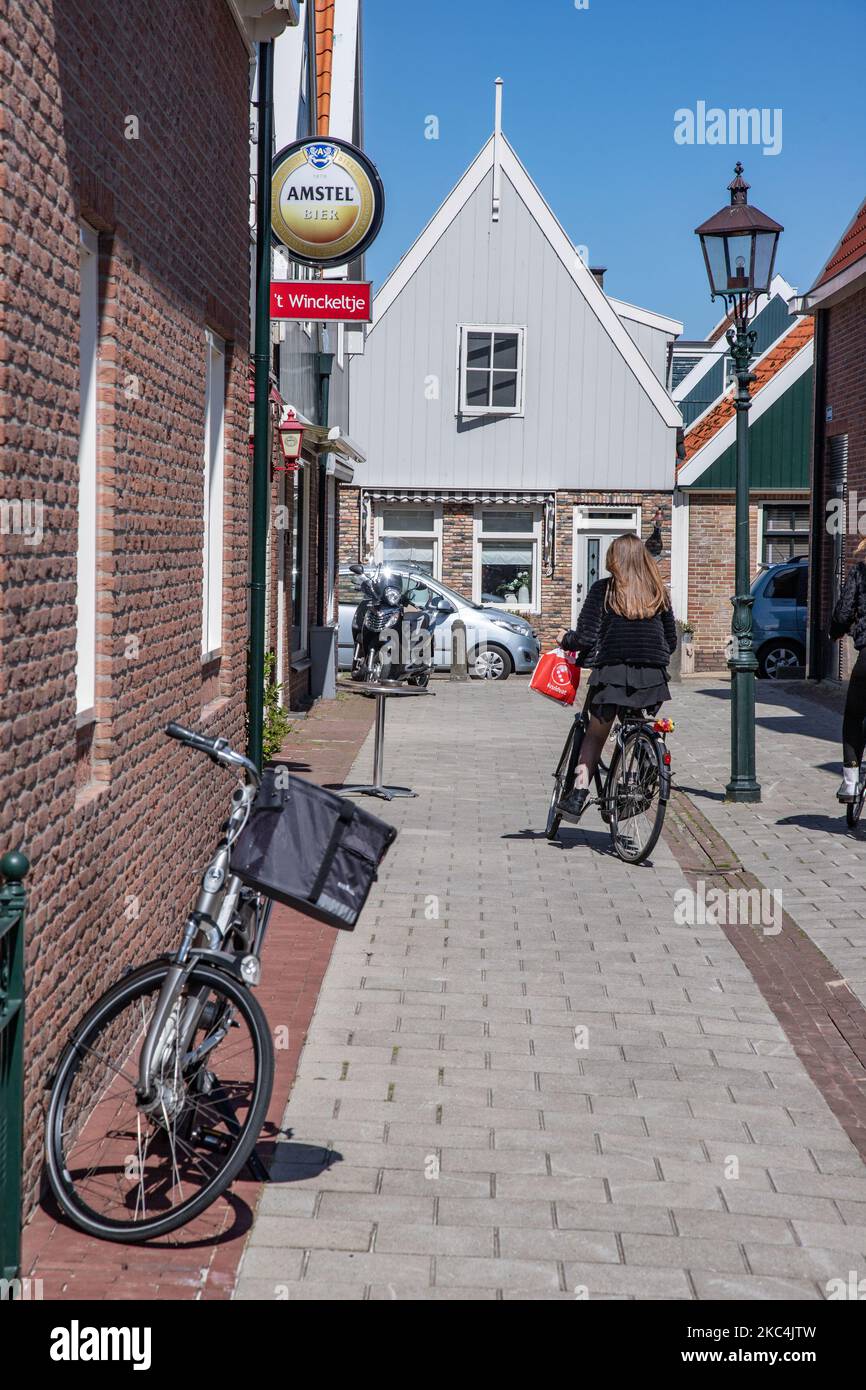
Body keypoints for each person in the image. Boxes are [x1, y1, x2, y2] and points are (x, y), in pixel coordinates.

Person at [557, 532, 677, 822]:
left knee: (595, 735)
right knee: (636, 724)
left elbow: (585, 637)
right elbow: (671, 642)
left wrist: (565, 639)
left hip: (612, 673)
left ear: (614, 559)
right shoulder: (657, 592)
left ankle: (578, 794)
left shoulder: (605, 590)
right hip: (652, 678)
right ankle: (647, 759)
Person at [829, 539, 866, 802]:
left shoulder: (861, 572)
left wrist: (836, 631)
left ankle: (851, 782)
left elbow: (843, 612)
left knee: (854, 715)